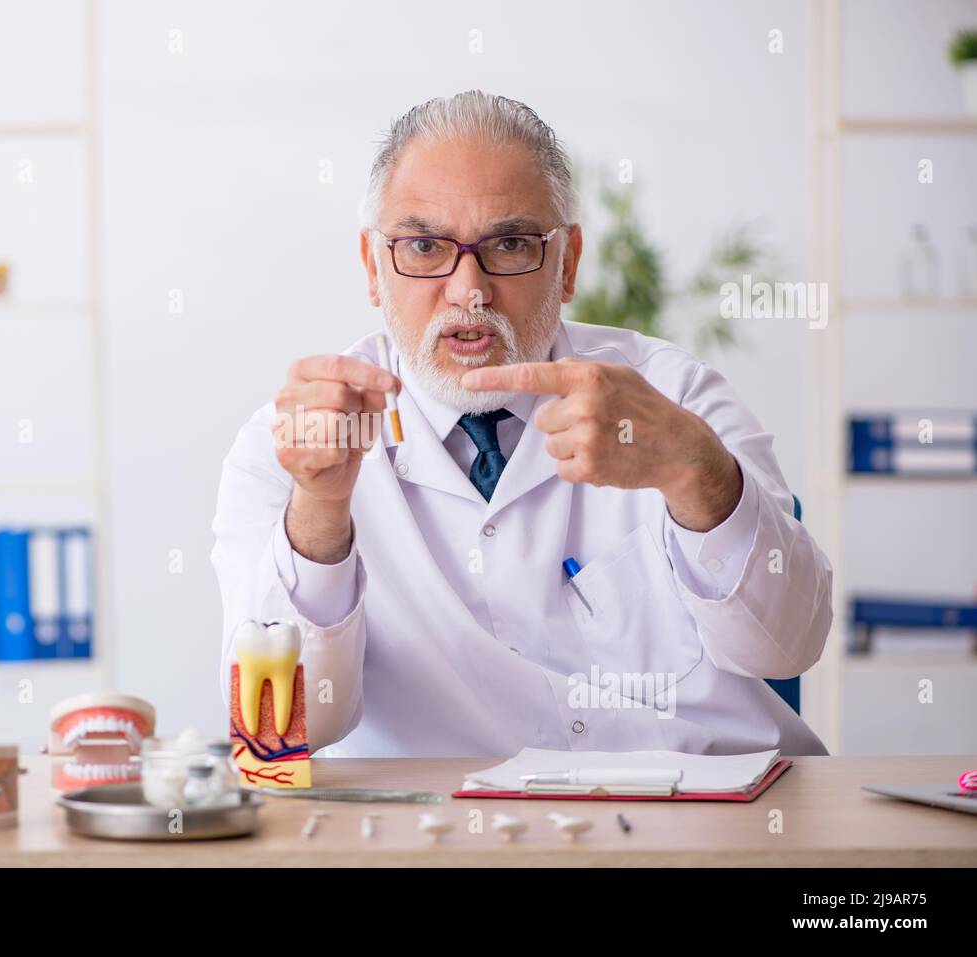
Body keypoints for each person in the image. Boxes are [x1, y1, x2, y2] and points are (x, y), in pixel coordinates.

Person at [212, 90, 831, 757]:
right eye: (423, 245)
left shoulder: (673, 396)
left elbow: (790, 644)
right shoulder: (292, 445)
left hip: (703, 827)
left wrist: (696, 472)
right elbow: (278, 729)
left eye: (508, 244)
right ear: (372, 267)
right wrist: (321, 512)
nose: (468, 289)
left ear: (567, 264)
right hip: (430, 839)